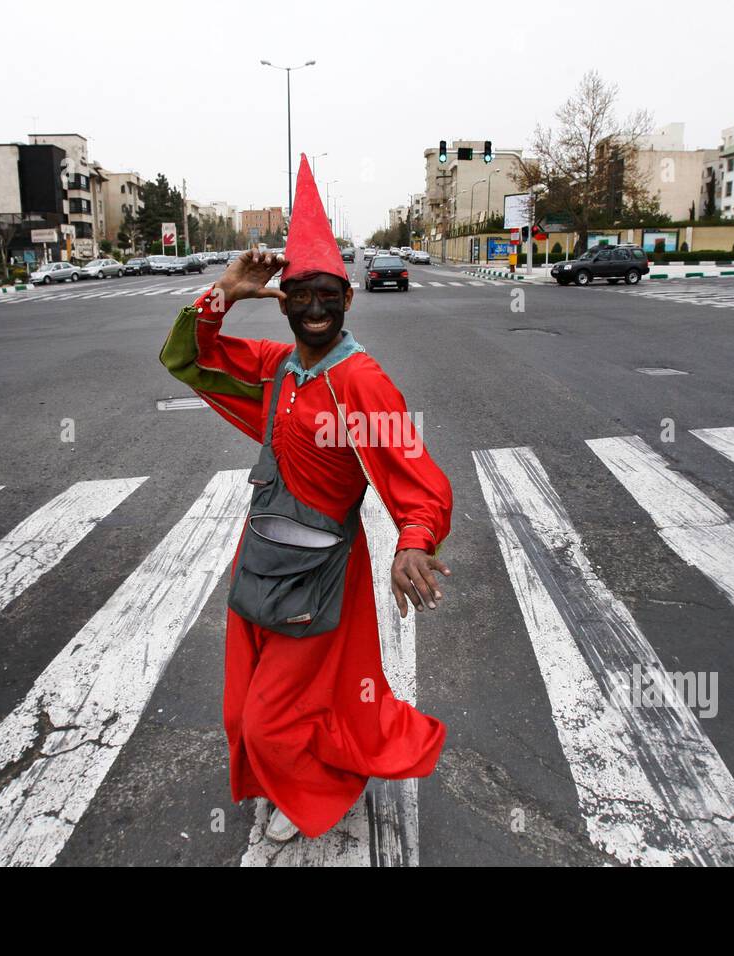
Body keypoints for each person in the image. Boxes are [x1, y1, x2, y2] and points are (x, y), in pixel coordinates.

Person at [158, 154, 452, 843]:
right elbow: (188, 360)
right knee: (244, 709)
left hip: (320, 570)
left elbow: (417, 475)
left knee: (271, 716)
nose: (313, 309)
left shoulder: (362, 382)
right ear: (283, 301)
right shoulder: (276, 369)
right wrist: (224, 294)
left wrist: (414, 540)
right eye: (300, 296)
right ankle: (292, 774)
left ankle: (321, 789)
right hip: (260, 557)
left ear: (348, 299)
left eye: (327, 294)